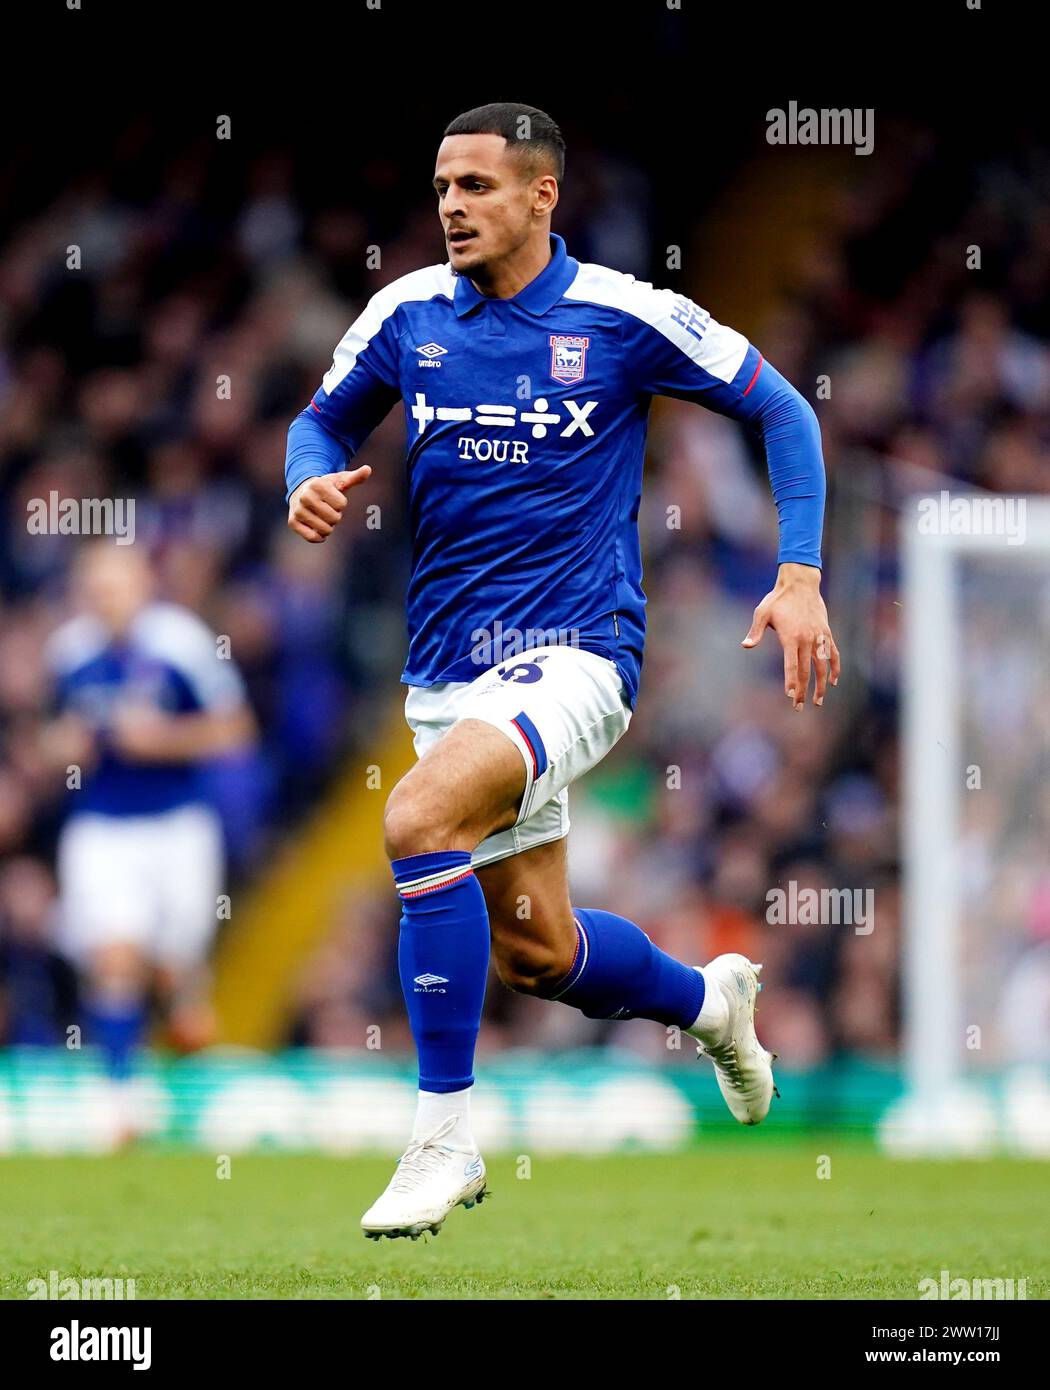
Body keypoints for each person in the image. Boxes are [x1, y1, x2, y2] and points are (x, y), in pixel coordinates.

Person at [284, 103, 839, 1239]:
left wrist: (798, 573)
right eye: (443, 185)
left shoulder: (622, 315)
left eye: (478, 186)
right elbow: (320, 419)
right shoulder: (406, 316)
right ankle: (709, 1003)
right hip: (447, 672)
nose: (451, 205)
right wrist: (311, 475)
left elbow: (779, 403)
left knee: (419, 819)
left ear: (542, 197)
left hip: (580, 653)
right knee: (539, 948)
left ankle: (442, 1139)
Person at [42, 542, 255, 1142]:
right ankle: (119, 1102)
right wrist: (65, 747)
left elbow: (236, 728)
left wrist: (162, 739)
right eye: (97, 588)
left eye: (117, 586)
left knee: (173, 972)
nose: (106, 599)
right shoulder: (70, 652)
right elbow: (48, 738)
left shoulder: (182, 643)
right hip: (102, 827)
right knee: (115, 955)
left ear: (142, 586)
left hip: (178, 826)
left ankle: (185, 1039)